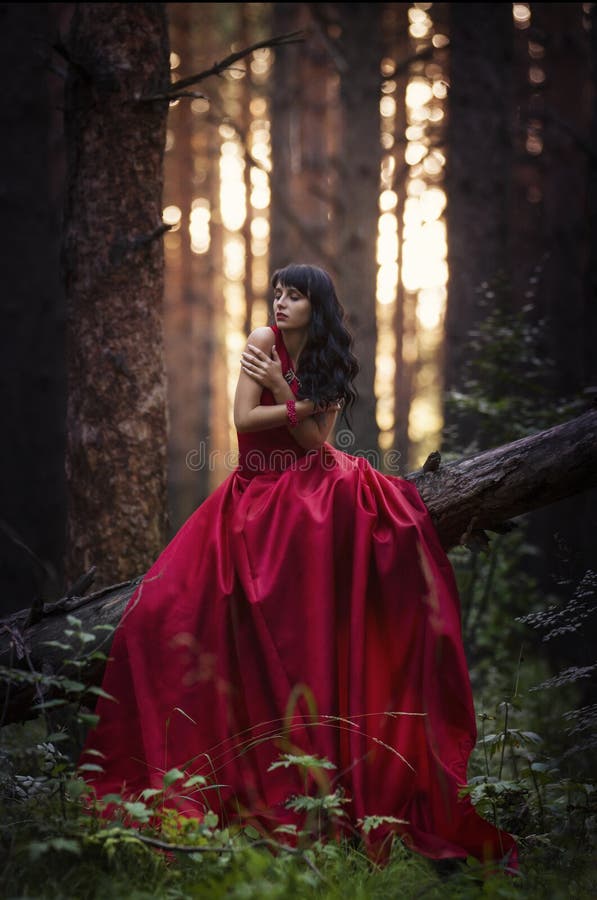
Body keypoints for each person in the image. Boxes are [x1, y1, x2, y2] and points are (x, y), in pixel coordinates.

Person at [79, 263, 517, 868]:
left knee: (361, 517)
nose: (281, 304)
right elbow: (240, 423)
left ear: (319, 306)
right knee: (159, 610)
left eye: (295, 296)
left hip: (311, 477)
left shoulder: (331, 361)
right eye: (278, 293)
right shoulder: (263, 342)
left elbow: (317, 444)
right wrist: (296, 407)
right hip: (256, 486)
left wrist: (289, 397)